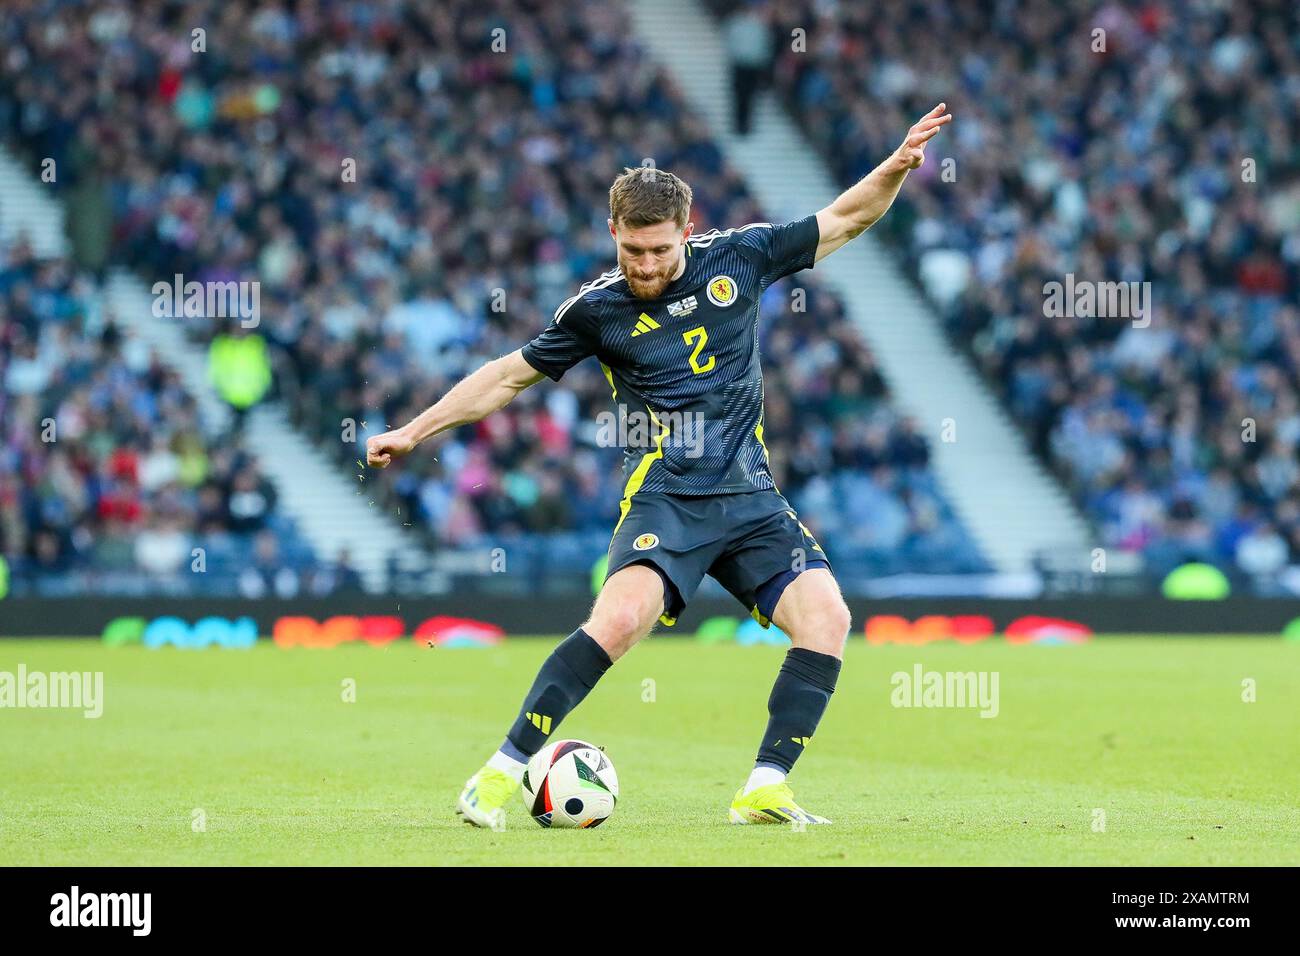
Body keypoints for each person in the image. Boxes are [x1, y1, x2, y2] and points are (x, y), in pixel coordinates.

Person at [367, 104, 953, 828]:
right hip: (668, 497)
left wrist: (893, 168)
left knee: (828, 618)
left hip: (749, 494)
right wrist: (415, 429)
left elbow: (847, 218)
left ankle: (764, 787)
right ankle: (495, 777)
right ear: (614, 233)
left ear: (687, 229)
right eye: (632, 252)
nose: (645, 267)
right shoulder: (596, 311)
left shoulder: (742, 255)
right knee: (617, 621)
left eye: (660, 253)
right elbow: (506, 377)